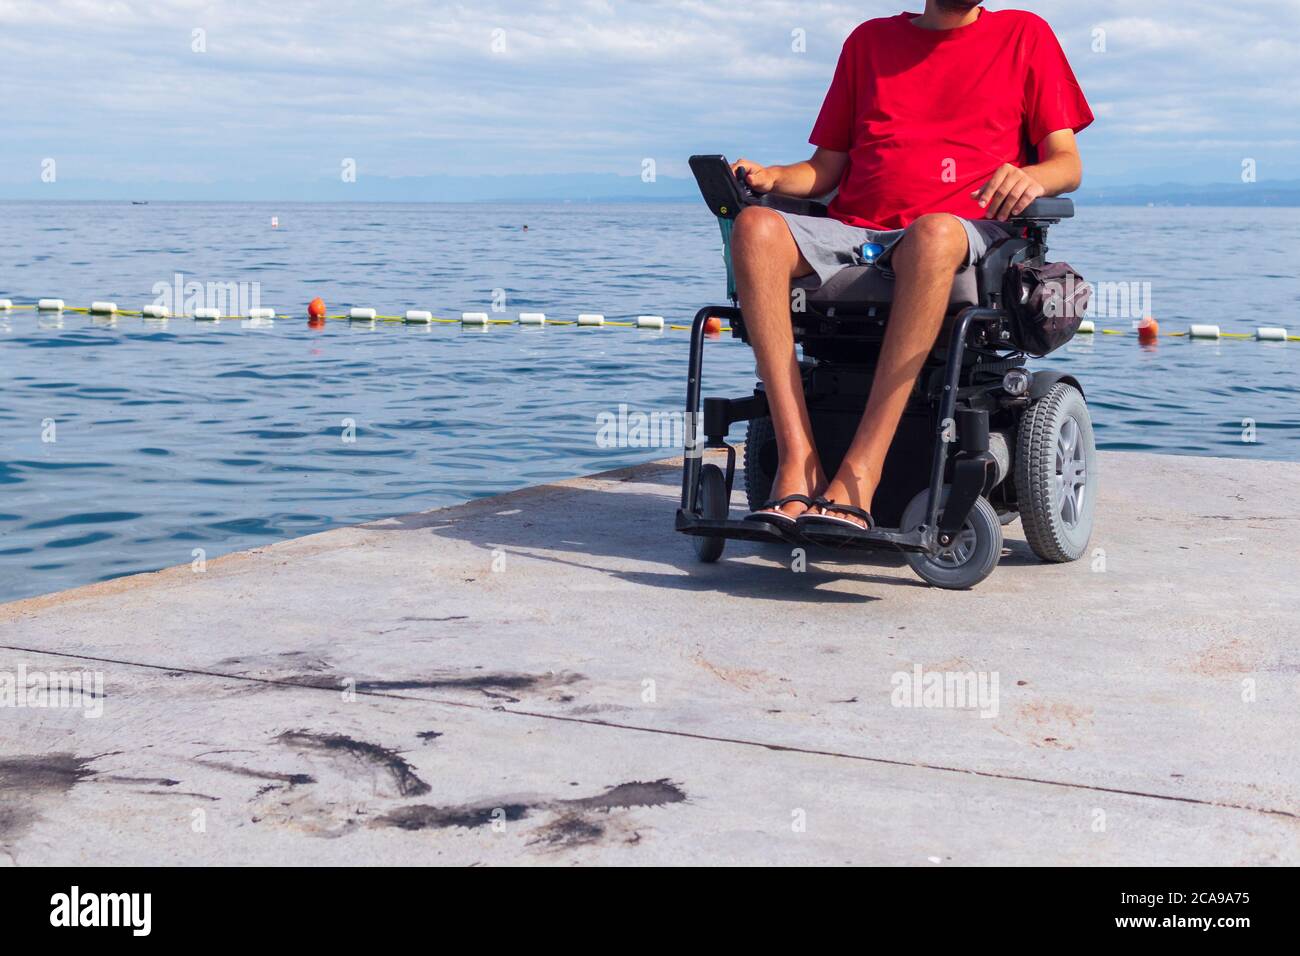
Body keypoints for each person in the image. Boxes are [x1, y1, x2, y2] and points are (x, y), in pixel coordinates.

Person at [733, 1, 1092, 534]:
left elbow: (1068, 163)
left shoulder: (1024, 34)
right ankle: (797, 461)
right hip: (858, 231)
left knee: (933, 230)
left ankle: (860, 473)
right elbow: (825, 170)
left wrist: (1035, 177)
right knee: (754, 227)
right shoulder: (868, 42)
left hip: (963, 232)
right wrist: (772, 176)